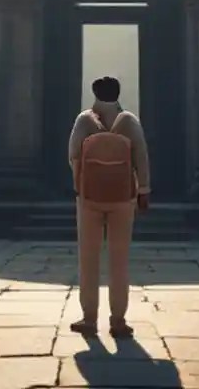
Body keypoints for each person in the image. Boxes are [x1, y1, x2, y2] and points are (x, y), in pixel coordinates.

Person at [67, 76, 151, 337]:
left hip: (89, 199)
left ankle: (89, 319)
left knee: (88, 259)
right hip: (123, 198)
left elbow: (73, 155)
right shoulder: (129, 121)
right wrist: (143, 190)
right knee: (119, 260)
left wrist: (81, 184)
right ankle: (118, 321)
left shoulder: (84, 120)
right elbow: (141, 156)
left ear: (94, 93)